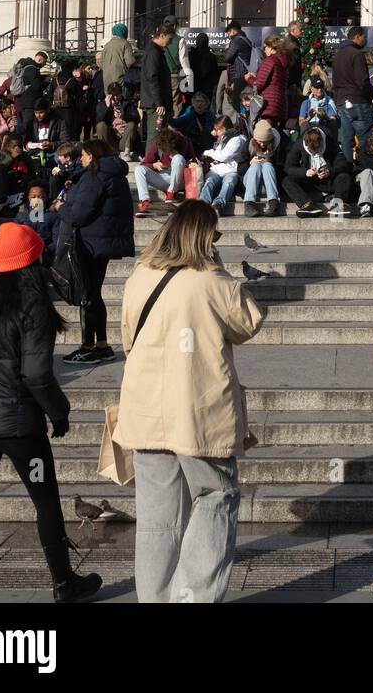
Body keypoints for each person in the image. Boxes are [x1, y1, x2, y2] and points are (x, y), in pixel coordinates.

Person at [0, 221, 102, 604]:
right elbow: (37, 374)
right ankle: (63, 583)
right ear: (32, 258)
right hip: (21, 428)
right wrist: (59, 412)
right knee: (45, 501)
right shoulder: (33, 302)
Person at [114, 200, 263, 603]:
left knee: (158, 518)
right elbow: (248, 322)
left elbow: (127, 336)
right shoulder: (214, 282)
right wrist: (219, 268)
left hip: (146, 409)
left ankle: (155, 597)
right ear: (205, 237)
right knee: (216, 496)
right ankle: (192, 596)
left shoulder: (140, 275)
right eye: (214, 235)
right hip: (199, 411)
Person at [58, 138, 134, 365]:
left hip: (89, 243)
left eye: (84, 155)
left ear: (93, 156)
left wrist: (61, 207)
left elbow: (80, 214)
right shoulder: (115, 174)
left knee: (87, 295)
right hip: (102, 242)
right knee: (94, 293)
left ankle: (89, 346)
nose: (81, 158)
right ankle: (101, 344)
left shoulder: (95, 176)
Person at [282, 127, 354, 216]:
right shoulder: (298, 144)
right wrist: (306, 172)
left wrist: (329, 172)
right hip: (310, 182)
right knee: (287, 180)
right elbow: (288, 167)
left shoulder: (330, 142)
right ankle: (307, 205)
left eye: (318, 149)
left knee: (344, 176)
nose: (315, 153)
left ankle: (337, 205)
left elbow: (343, 164)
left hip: (329, 180)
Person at [331, 26, 373, 161]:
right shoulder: (356, 54)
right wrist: (370, 94)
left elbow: (335, 81)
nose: (366, 40)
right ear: (357, 37)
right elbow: (363, 81)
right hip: (357, 100)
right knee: (364, 136)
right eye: (364, 37)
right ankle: (364, 167)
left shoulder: (338, 55)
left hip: (342, 102)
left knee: (347, 138)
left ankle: (347, 168)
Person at [135, 128, 196, 215]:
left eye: (170, 150)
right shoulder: (159, 143)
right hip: (165, 177)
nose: (168, 153)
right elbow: (144, 163)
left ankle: (171, 194)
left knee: (178, 158)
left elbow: (193, 163)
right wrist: (153, 165)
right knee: (139, 169)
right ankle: (145, 202)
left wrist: (188, 164)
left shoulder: (185, 142)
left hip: (181, 180)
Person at [199, 117, 247, 216]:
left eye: (217, 129)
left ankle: (218, 204)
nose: (215, 131)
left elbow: (223, 156)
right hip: (216, 169)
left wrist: (208, 152)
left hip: (231, 170)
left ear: (224, 128)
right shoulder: (223, 138)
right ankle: (203, 204)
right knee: (208, 182)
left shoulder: (237, 139)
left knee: (229, 183)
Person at [140, 25, 174, 151]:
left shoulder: (156, 51)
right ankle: (149, 164)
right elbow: (152, 78)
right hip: (155, 104)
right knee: (155, 136)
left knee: (159, 135)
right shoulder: (154, 52)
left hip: (157, 102)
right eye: (169, 39)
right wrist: (159, 102)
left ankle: (156, 162)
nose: (170, 42)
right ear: (162, 35)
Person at [243, 119, 282, 217]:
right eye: (259, 141)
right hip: (250, 183)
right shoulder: (249, 144)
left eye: (265, 141)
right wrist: (250, 162)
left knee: (267, 166)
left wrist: (270, 161)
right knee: (255, 165)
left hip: (269, 184)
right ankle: (249, 203)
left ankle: (273, 202)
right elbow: (239, 169)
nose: (262, 144)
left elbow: (284, 168)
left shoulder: (279, 145)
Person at [252, 35, 292, 128]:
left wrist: (249, 78)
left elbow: (259, 84)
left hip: (268, 105)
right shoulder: (284, 62)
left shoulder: (270, 60)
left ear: (271, 47)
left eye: (265, 47)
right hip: (280, 105)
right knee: (275, 135)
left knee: (265, 136)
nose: (264, 50)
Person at [95, 80, 139, 159]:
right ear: (109, 95)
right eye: (113, 95)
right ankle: (106, 153)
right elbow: (98, 120)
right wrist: (108, 108)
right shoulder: (102, 105)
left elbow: (136, 118)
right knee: (100, 125)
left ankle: (126, 153)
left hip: (124, 139)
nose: (115, 98)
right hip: (110, 140)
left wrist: (124, 115)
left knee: (131, 124)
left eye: (118, 95)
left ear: (121, 94)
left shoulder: (128, 104)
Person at [0, 135, 34, 213]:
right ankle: (3, 201)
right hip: (8, 187)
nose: (17, 149)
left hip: (22, 186)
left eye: (19, 146)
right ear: (8, 147)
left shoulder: (25, 156)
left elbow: (32, 173)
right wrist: (12, 157)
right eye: (14, 147)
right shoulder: (2, 155)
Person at [171, 89, 216, 156]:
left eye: (202, 101)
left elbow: (219, 125)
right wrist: (168, 119)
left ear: (206, 104)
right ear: (193, 103)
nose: (199, 103)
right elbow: (177, 123)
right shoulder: (189, 114)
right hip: (190, 146)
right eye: (197, 101)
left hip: (205, 147)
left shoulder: (210, 116)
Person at [182, 31, 219, 104]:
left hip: (192, 86)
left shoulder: (191, 55)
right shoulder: (211, 56)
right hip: (206, 88)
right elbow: (215, 74)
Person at [224, 20, 253, 110]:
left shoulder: (235, 40)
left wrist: (227, 49)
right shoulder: (246, 39)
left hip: (239, 75)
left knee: (237, 102)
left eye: (229, 32)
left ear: (232, 31)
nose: (229, 35)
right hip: (247, 73)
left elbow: (227, 58)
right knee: (246, 101)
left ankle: (241, 122)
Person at [23, 99, 63, 164]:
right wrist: (27, 145)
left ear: (47, 110)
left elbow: (65, 141)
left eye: (41, 112)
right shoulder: (31, 123)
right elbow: (26, 140)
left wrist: (51, 144)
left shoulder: (58, 121)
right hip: (36, 152)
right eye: (36, 113)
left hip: (53, 152)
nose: (38, 115)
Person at [13, 51, 49, 122]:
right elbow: (37, 86)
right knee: (29, 126)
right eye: (44, 63)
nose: (43, 66)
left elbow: (32, 80)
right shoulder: (32, 69)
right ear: (40, 60)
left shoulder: (27, 67)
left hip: (24, 101)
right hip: (29, 104)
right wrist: (46, 82)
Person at [100, 24, 137, 90]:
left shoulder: (107, 45)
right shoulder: (125, 43)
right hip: (120, 80)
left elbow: (101, 64)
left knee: (110, 98)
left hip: (107, 81)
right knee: (121, 98)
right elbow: (130, 61)